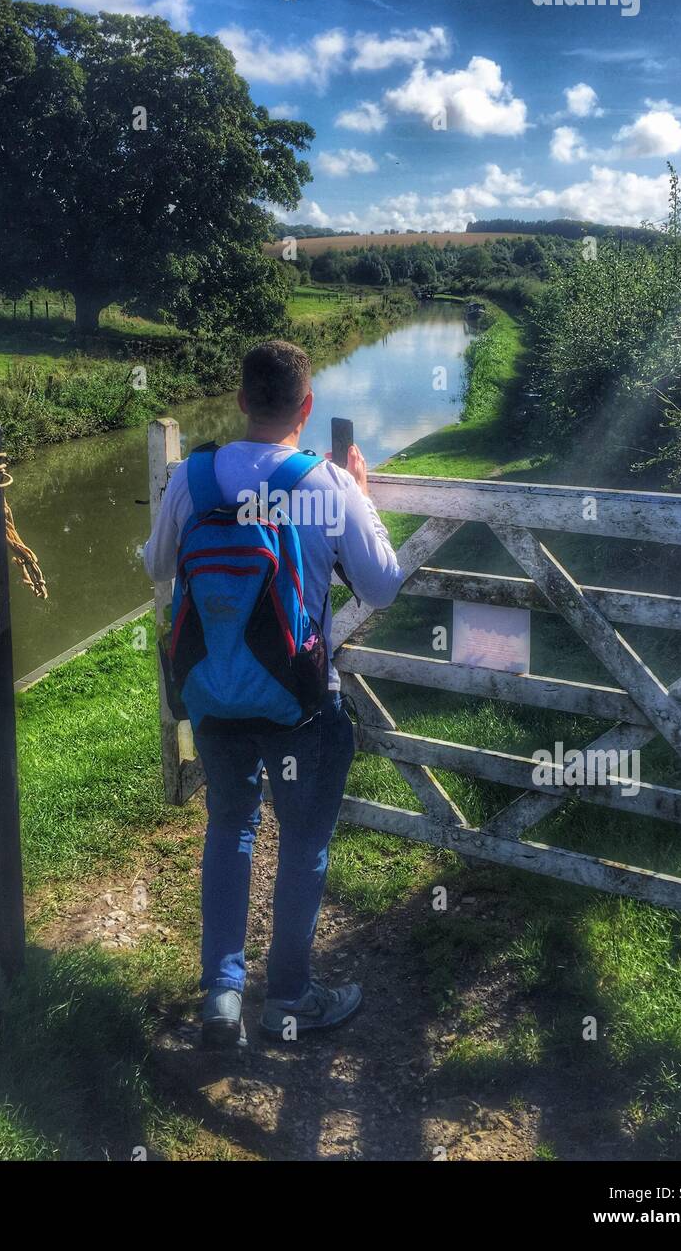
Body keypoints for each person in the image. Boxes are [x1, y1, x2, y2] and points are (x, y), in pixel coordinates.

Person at [143, 340, 405, 1045]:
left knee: (229, 826)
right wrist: (362, 495)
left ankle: (222, 998)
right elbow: (382, 584)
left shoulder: (192, 477)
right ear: (306, 406)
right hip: (299, 705)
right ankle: (288, 998)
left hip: (214, 697)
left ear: (239, 400)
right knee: (304, 840)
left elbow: (157, 564)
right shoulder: (325, 485)